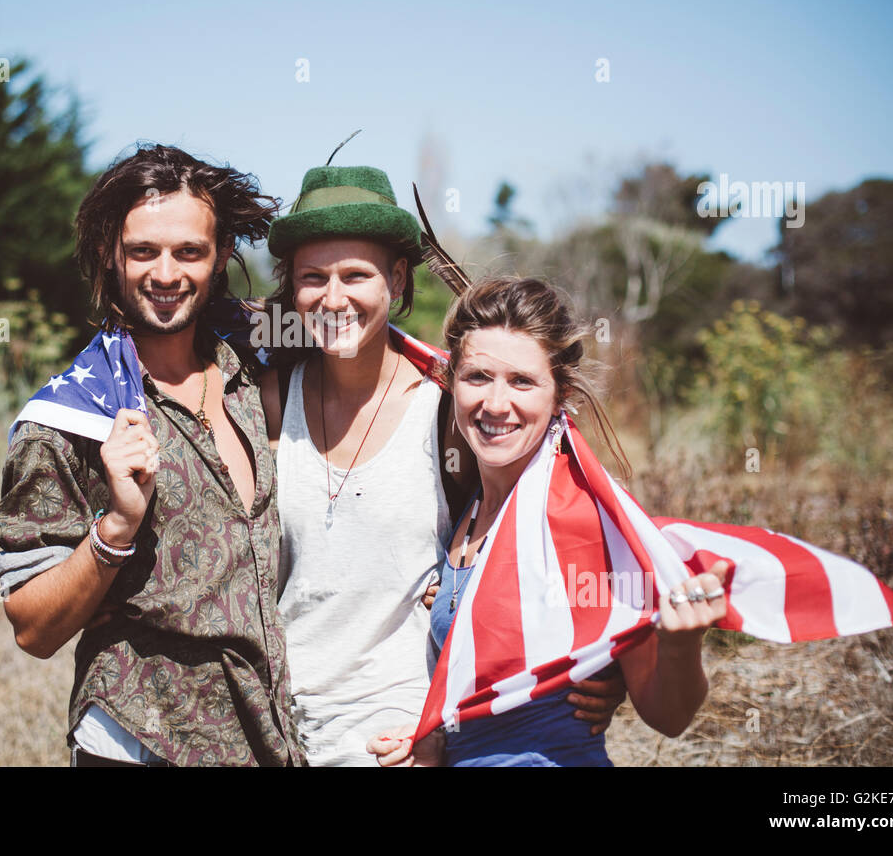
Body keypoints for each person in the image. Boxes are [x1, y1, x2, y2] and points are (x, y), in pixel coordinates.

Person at [260, 166, 625, 766]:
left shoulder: (449, 413)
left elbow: (544, 531)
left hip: (397, 732)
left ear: (397, 278)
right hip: (278, 721)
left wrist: (599, 669)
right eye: (312, 278)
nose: (333, 297)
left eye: (356, 274)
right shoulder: (270, 401)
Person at [0, 144, 303, 767]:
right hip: (142, 740)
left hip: (262, 737)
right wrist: (116, 531)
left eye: (189, 251)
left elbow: (350, 324)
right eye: (143, 252)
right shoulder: (72, 418)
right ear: (112, 256)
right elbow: (33, 628)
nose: (166, 274)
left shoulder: (247, 367)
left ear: (218, 260)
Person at [368, 277, 729, 767]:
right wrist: (427, 737)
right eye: (478, 377)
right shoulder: (463, 509)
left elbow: (669, 717)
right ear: (452, 382)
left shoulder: (582, 519)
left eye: (522, 381)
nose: (496, 404)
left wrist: (682, 645)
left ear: (558, 394)